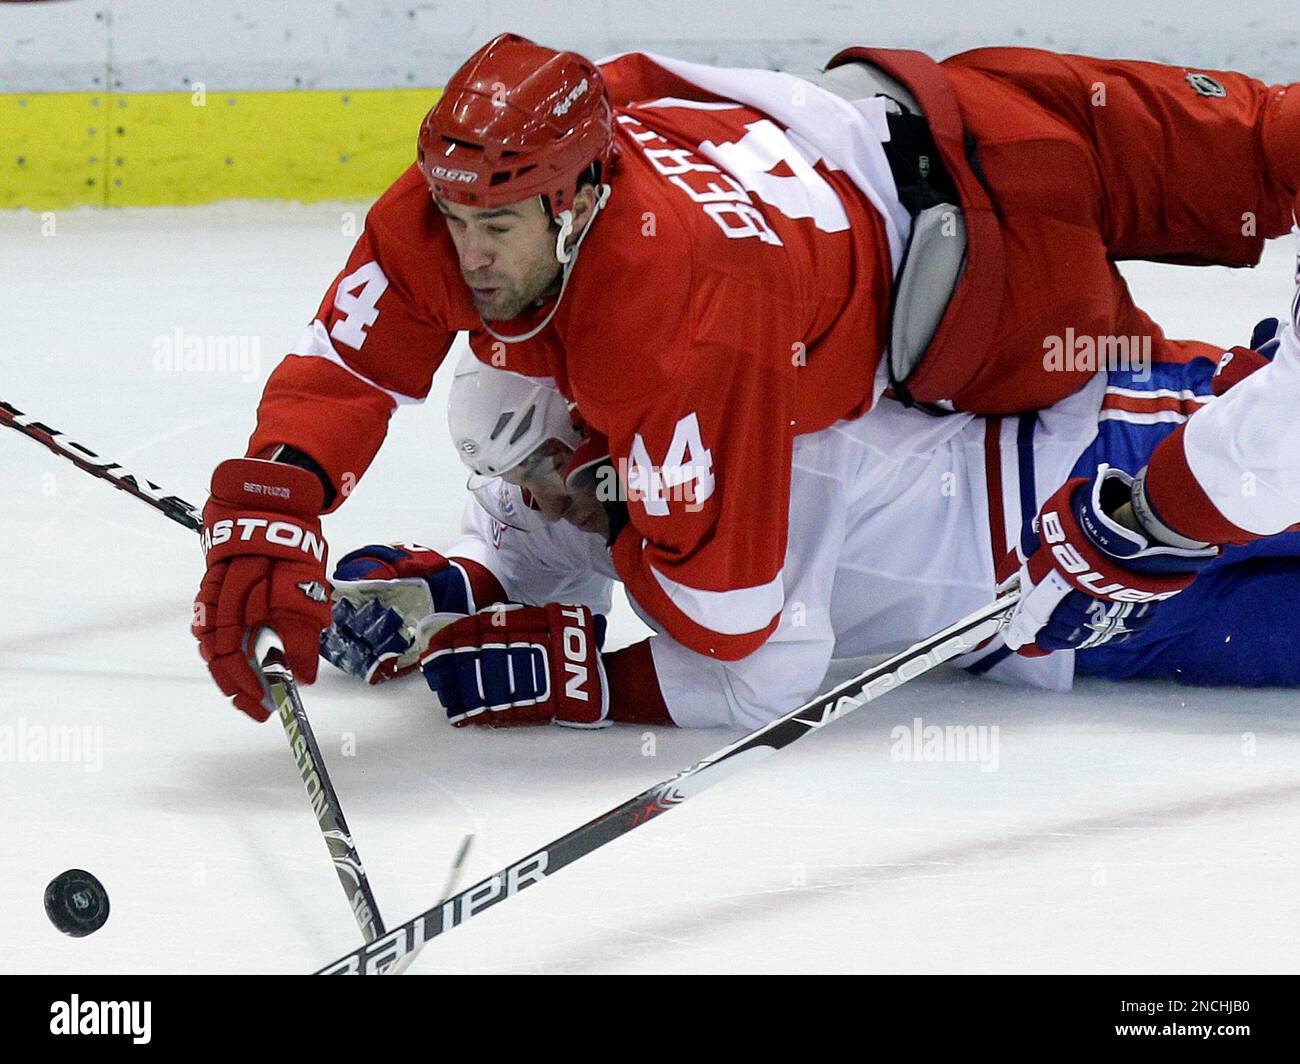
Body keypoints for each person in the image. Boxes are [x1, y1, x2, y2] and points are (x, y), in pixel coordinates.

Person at [192, 32, 1300, 722]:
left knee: (1261, 164)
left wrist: (583, 677)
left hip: (1021, 323)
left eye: (493, 224)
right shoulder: (515, 255)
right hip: (1057, 623)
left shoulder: (693, 371)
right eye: (455, 218)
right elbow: (513, 513)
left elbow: (743, 653)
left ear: (574, 198)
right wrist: (406, 570)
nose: (465, 249)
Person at [318, 284, 1300, 729]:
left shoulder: (756, 433)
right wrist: (418, 596)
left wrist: (593, 686)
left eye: (547, 463)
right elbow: (511, 552)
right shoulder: (566, 467)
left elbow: (768, 673)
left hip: (1101, 455)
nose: (537, 494)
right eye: (517, 472)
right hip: (1057, 633)